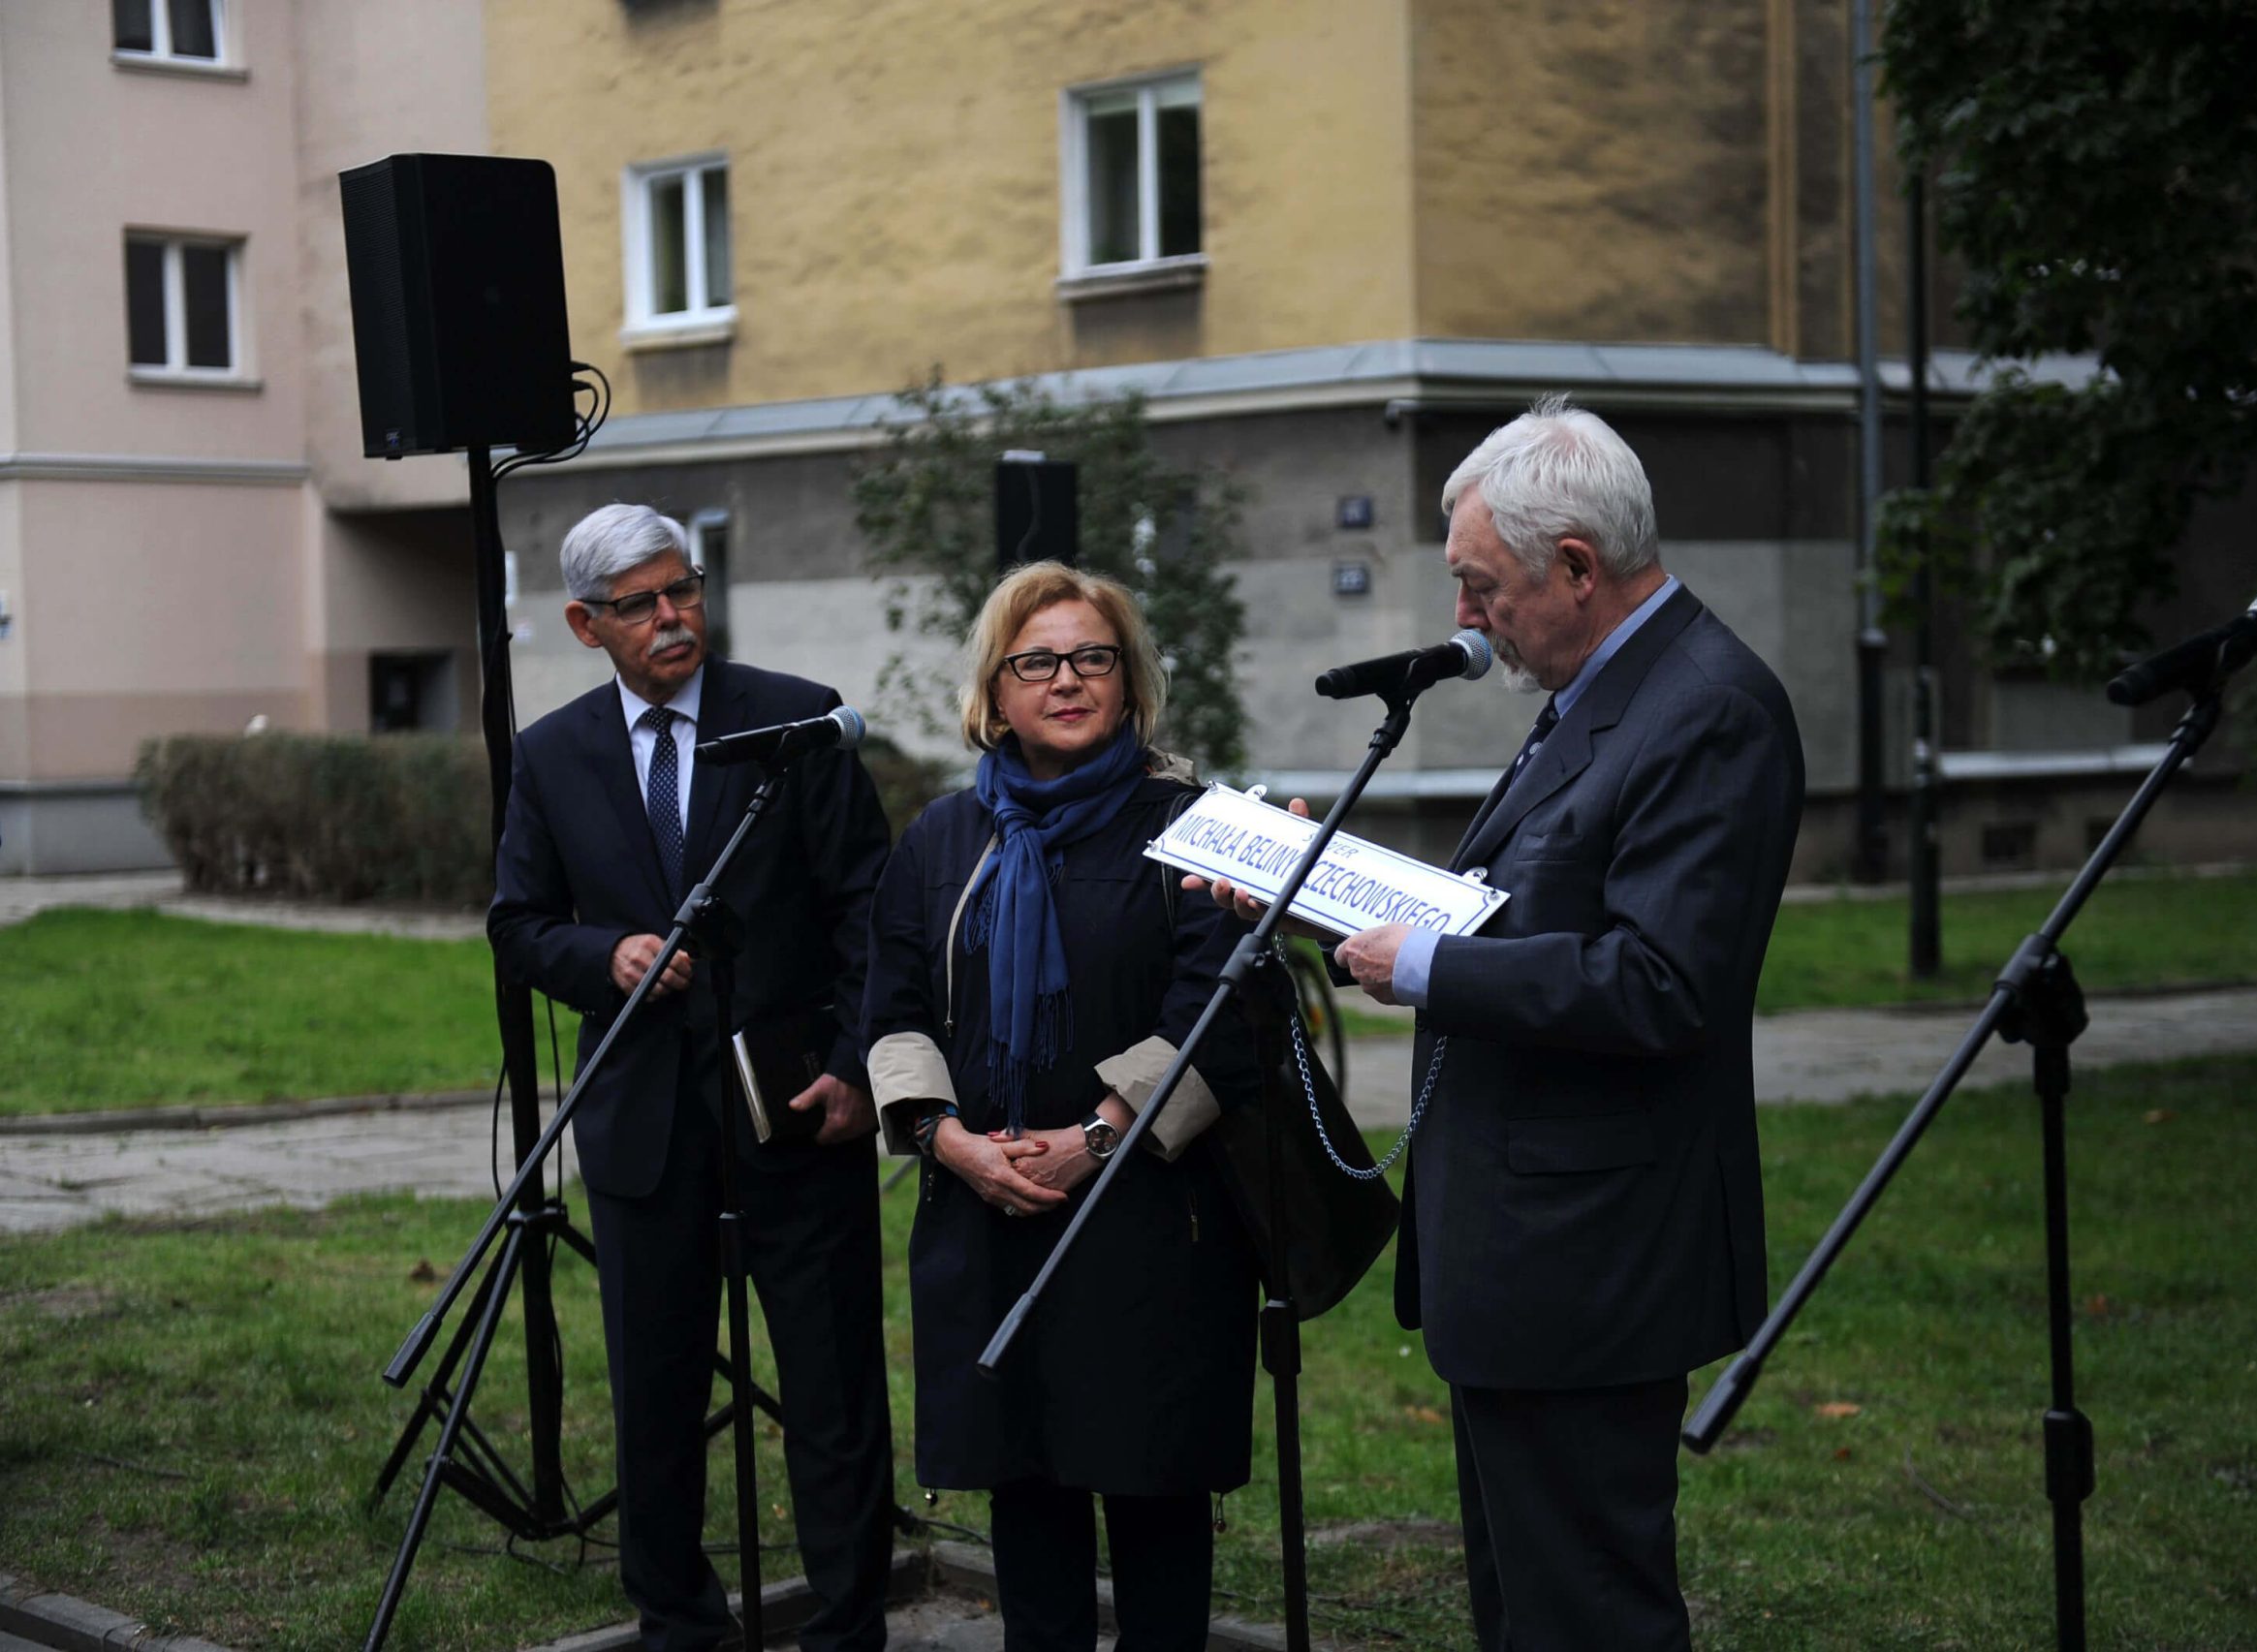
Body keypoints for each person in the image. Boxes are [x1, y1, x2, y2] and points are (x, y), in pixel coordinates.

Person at [1210, 397, 1804, 1650]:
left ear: (1577, 568)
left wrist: (1424, 965)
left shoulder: (1709, 706)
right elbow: (1523, 907)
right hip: (1523, 1257)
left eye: (1482, 589)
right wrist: (1318, 889)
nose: (1466, 622)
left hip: (1593, 1266)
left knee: (1587, 1612)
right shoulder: (1610, 684)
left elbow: (1661, 984)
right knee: (1522, 1611)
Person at [488, 503, 895, 1652]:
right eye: (640, 605)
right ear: (583, 624)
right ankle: (679, 1624)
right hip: (642, 1125)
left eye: (685, 590)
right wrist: (600, 955)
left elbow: (870, 903)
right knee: (655, 1402)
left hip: (798, 1108)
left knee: (832, 1394)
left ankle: (846, 1626)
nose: (673, 618)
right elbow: (517, 923)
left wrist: (862, 1064)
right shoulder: (552, 754)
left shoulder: (796, 719)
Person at [862, 561, 1260, 1652]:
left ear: (1130, 685)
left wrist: (1097, 1135)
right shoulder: (943, 838)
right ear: (995, 691)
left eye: (1094, 658)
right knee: (1025, 1490)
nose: (1068, 679)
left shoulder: (1197, 829)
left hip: (1148, 1226)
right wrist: (948, 1144)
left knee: (1154, 1500)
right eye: (1036, 661)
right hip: (990, 1215)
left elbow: (1217, 1015)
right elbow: (892, 1013)